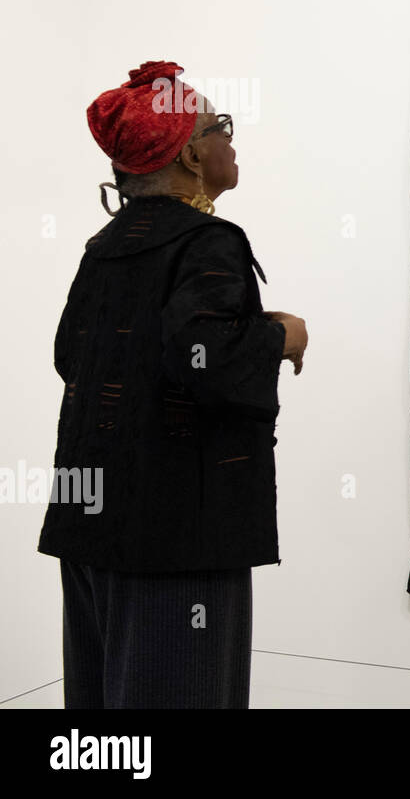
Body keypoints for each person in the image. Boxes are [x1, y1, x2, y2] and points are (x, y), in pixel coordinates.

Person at [37, 60, 308, 709]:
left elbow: (75, 352)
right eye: (222, 126)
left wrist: (245, 326)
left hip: (91, 524)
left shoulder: (105, 244)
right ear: (190, 153)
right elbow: (202, 358)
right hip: (175, 537)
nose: (232, 141)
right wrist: (282, 337)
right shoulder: (208, 241)